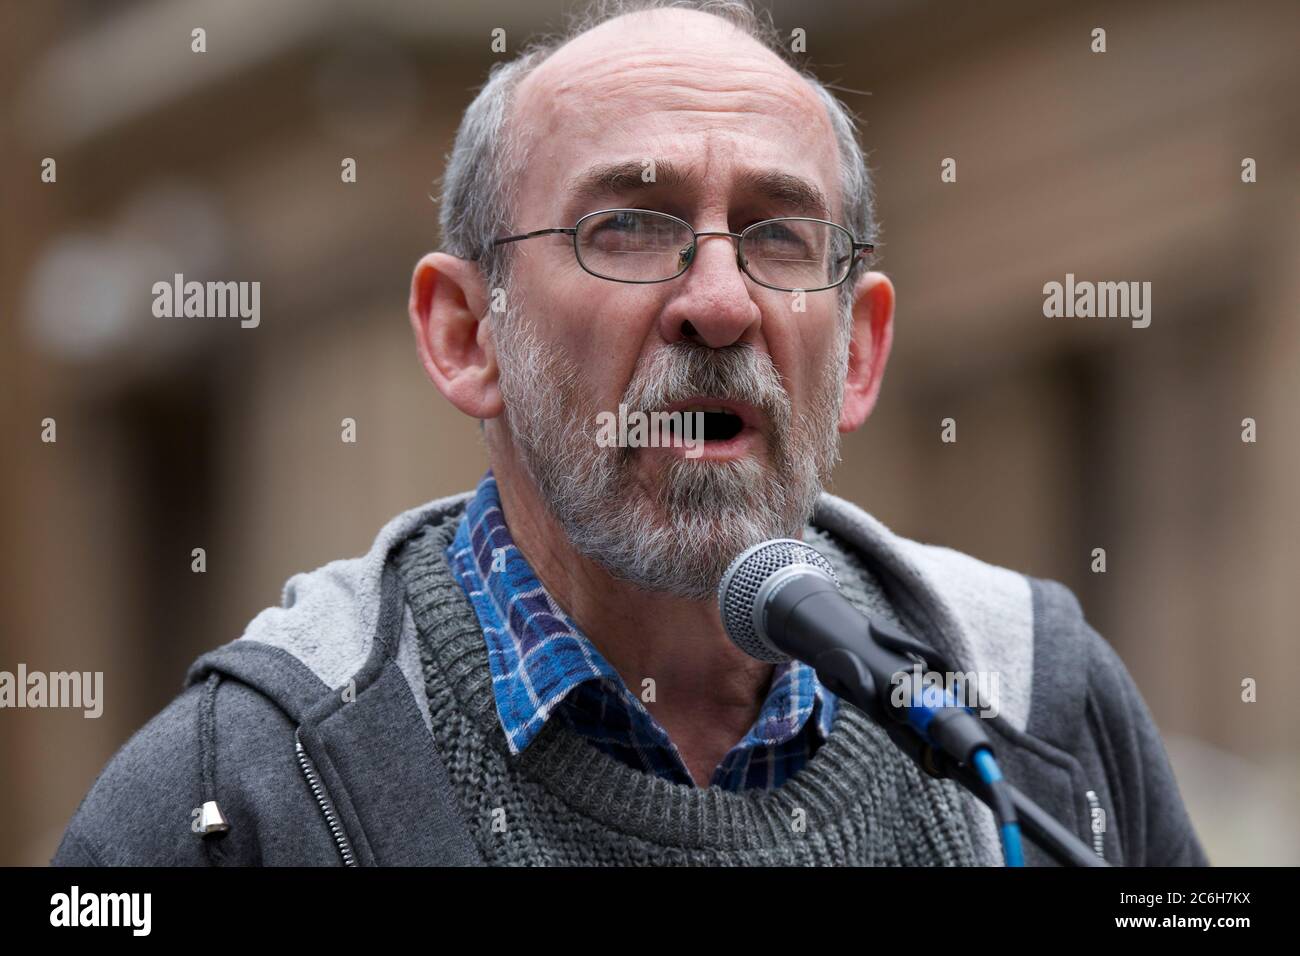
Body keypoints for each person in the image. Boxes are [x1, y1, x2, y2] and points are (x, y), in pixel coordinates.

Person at [52, 0, 1207, 867]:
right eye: (629, 225)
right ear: (466, 334)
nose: (719, 299)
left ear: (856, 353)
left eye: (778, 235)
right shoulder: (243, 787)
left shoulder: (1034, 705)